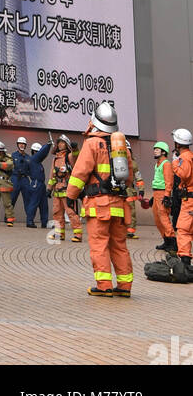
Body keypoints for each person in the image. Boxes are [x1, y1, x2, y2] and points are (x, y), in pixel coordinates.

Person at [66, 101, 135, 297]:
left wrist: (70, 197)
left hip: (98, 205)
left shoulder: (92, 143)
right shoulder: (122, 146)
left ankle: (104, 286)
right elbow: (128, 178)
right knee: (119, 246)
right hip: (119, 206)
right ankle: (124, 287)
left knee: (99, 245)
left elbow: (80, 173)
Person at [47, 134, 82, 241]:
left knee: (71, 212)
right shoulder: (55, 159)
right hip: (57, 191)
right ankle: (59, 234)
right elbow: (52, 175)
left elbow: (76, 156)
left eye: (62, 143)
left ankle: (78, 235)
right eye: (59, 143)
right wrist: (49, 188)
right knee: (57, 213)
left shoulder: (69, 156)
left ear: (67, 145)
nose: (60, 144)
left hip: (68, 191)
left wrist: (75, 148)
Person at [169, 127, 193, 274]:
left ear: (178, 143)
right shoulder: (191, 156)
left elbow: (184, 174)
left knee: (183, 230)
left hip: (189, 200)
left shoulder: (184, 158)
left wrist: (175, 163)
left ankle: (185, 262)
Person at [150, 141, 178, 252]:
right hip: (156, 193)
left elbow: (169, 181)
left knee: (164, 219)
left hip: (162, 194)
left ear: (163, 152)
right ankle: (166, 241)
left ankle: (173, 243)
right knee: (158, 220)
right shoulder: (157, 164)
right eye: (154, 149)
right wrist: (154, 196)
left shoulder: (166, 164)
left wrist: (167, 196)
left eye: (157, 149)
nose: (155, 151)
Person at [26, 141, 51, 228]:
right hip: (36, 183)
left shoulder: (37, 162)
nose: (39, 154)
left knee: (44, 204)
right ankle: (29, 221)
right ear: (34, 151)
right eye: (38, 152)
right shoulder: (34, 159)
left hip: (41, 184)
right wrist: (48, 145)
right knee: (33, 203)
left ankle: (44, 222)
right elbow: (43, 153)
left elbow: (42, 154)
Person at [125, 146, 146, 238]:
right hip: (118, 191)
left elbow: (138, 178)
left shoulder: (133, 164)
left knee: (131, 212)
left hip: (129, 191)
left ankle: (130, 232)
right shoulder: (115, 163)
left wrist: (141, 190)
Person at [10, 136, 31, 215]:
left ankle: (29, 219)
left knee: (27, 200)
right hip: (15, 178)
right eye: (20, 144)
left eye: (23, 144)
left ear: (25, 145)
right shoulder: (13, 155)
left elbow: (31, 170)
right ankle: (8, 217)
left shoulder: (28, 157)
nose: (22, 145)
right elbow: (9, 167)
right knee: (12, 198)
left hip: (24, 179)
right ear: (17, 145)